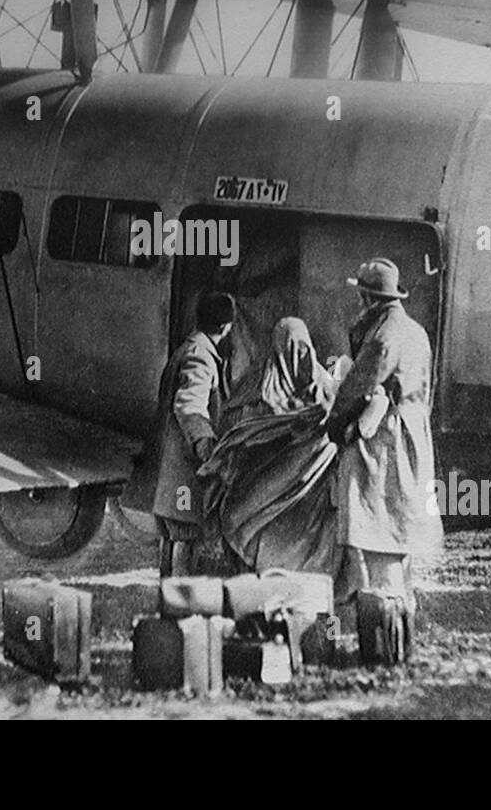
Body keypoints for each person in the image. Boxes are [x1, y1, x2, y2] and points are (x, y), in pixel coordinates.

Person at [324, 257, 442, 655]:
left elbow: (356, 388)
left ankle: (382, 633)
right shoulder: (417, 333)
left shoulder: (383, 336)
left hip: (386, 440)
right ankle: (397, 632)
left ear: (369, 297)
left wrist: (336, 427)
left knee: (376, 525)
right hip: (414, 434)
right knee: (399, 529)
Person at [198, 316, 339, 574]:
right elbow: (237, 435)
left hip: (304, 503)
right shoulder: (255, 393)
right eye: (293, 348)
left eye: (304, 348)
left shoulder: (324, 387)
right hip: (261, 489)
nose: (300, 357)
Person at [130, 291, 235, 577]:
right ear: (227, 327)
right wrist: (205, 445)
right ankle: (181, 606)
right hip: (182, 468)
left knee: (174, 536)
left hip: (169, 467)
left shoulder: (189, 347)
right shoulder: (201, 355)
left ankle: (169, 603)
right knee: (186, 538)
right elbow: (189, 404)